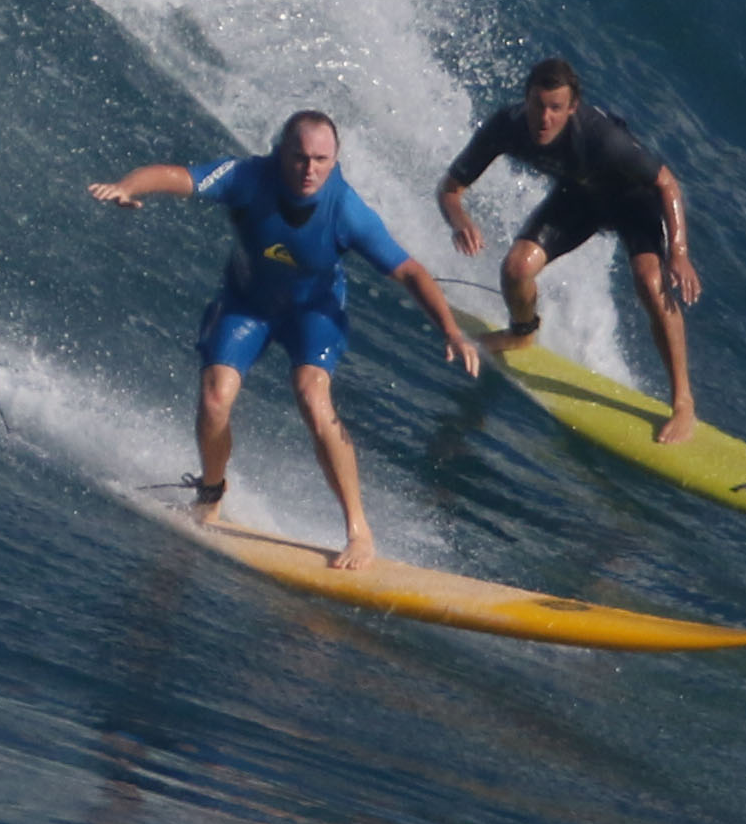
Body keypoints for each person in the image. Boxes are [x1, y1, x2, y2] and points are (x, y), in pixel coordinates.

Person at [93, 112, 478, 570]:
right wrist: (129, 186)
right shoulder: (247, 177)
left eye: (321, 159)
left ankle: (359, 530)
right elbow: (178, 176)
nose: (309, 169)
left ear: (335, 162)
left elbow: (409, 271)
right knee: (215, 399)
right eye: (299, 157)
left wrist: (451, 329)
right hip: (246, 303)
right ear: (280, 152)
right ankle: (212, 490)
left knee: (314, 400)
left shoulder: (346, 210)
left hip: (311, 314)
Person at [437, 57, 707, 446]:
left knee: (650, 282)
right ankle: (522, 332)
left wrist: (678, 251)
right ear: (526, 99)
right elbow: (450, 188)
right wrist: (459, 220)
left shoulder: (602, 138)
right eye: (537, 105)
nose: (544, 118)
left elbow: (667, 184)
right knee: (516, 268)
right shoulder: (506, 127)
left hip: (634, 202)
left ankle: (683, 402)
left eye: (555, 108)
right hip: (579, 199)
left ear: (572, 108)